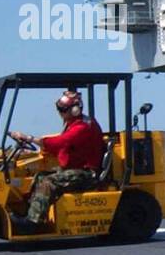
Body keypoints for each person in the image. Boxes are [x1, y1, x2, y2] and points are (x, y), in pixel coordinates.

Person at [8, 90, 105, 234]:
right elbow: (64, 148)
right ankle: (30, 213)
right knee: (40, 176)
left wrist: (29, 138)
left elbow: (61, 142)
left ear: (74, 109)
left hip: (86, 172)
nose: (60, 113)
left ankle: (32, 223)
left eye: (62, 110)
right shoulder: (72, 123)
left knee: (49, 182)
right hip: (73, 168)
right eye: (59, 109)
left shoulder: (82, 127)